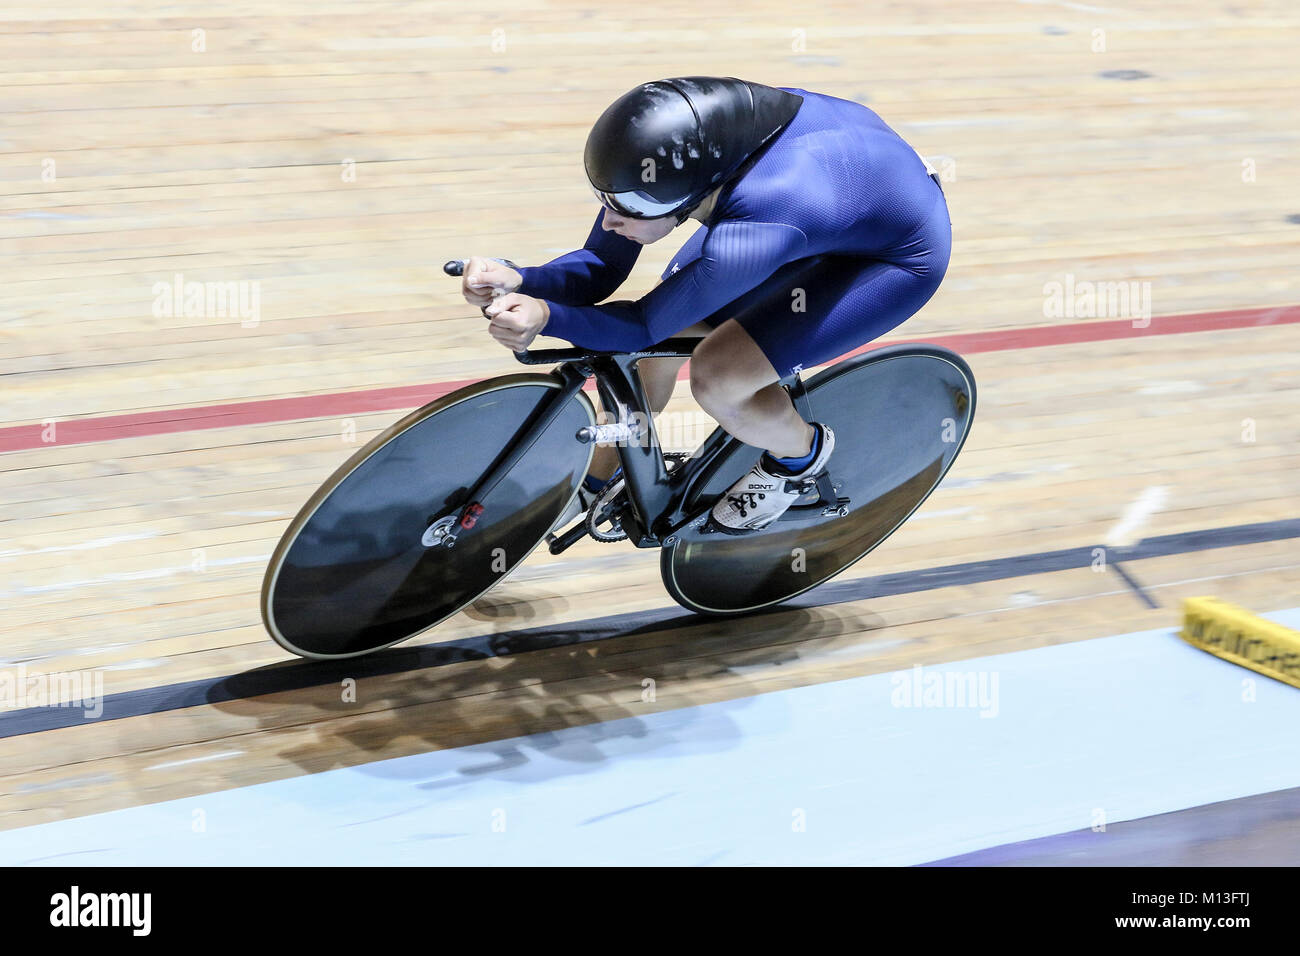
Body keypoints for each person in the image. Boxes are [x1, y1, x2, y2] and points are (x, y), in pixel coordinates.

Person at [459, 76, 950, 534]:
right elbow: (601, 267)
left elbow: (643, 324)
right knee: (652, 359)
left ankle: (798, 459)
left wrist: (545, 315)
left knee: (719, 377)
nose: (609, 221)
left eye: (627, 209)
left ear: (687, 195)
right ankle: (600, 478)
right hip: (832, 197)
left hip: (893, 258)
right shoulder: (679, 154)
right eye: (607, 200)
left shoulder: (758, 224)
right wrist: (522, 277)